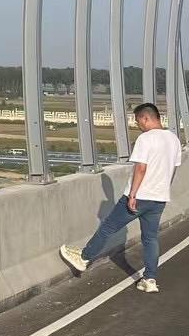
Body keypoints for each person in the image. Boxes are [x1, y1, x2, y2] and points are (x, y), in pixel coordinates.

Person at [60, 102, 182, 293]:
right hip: (159, 198)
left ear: (146, 118)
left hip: (140, 196)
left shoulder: (146, 139)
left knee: (108, 227)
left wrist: (133, 194)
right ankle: (150, 279)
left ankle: (83, 258)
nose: (137, 125)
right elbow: (173, 169)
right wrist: (163, 189)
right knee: (150, 238)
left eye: (138, 121)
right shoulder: (173, 139)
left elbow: (141, 168)